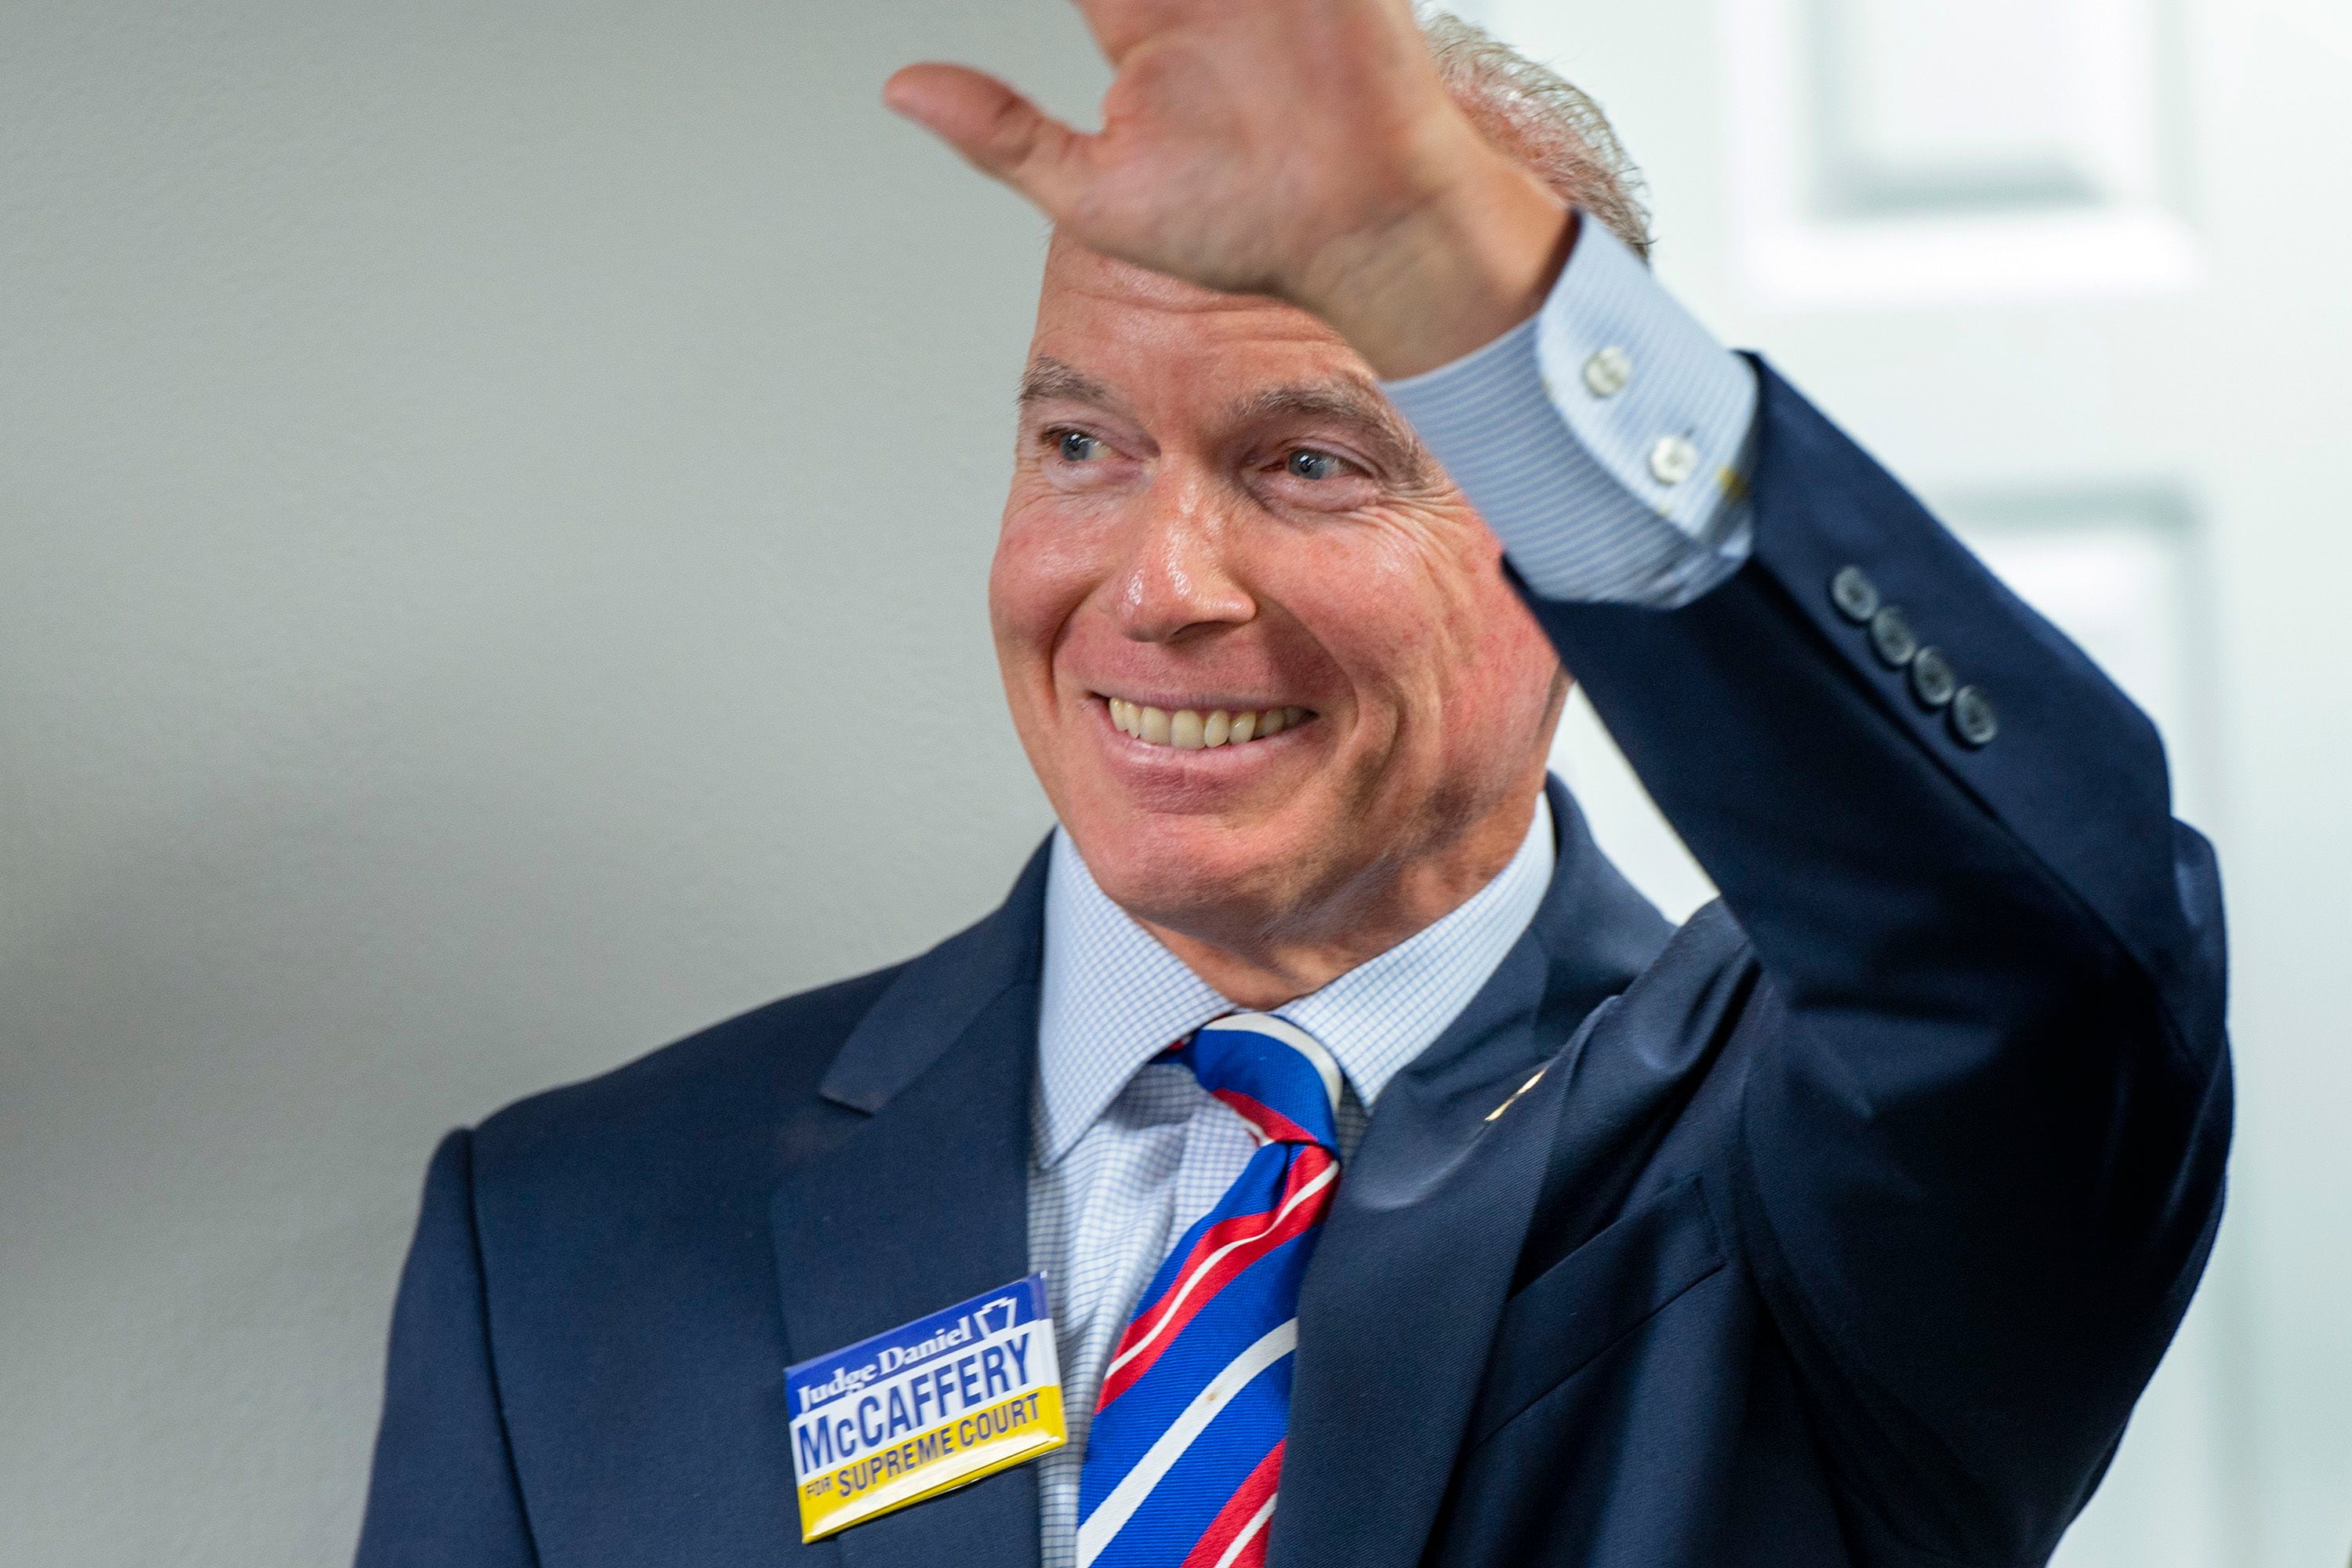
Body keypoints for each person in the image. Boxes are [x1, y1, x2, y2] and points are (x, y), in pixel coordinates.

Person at [354, 2, 2231, 1565]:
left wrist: (1471, 287)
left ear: (1564, 548)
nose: (1159, 586)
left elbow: (2044, 955)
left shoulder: (1811, 1156)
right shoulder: (565, 1229)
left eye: (1313, 462)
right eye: (1080, 442)